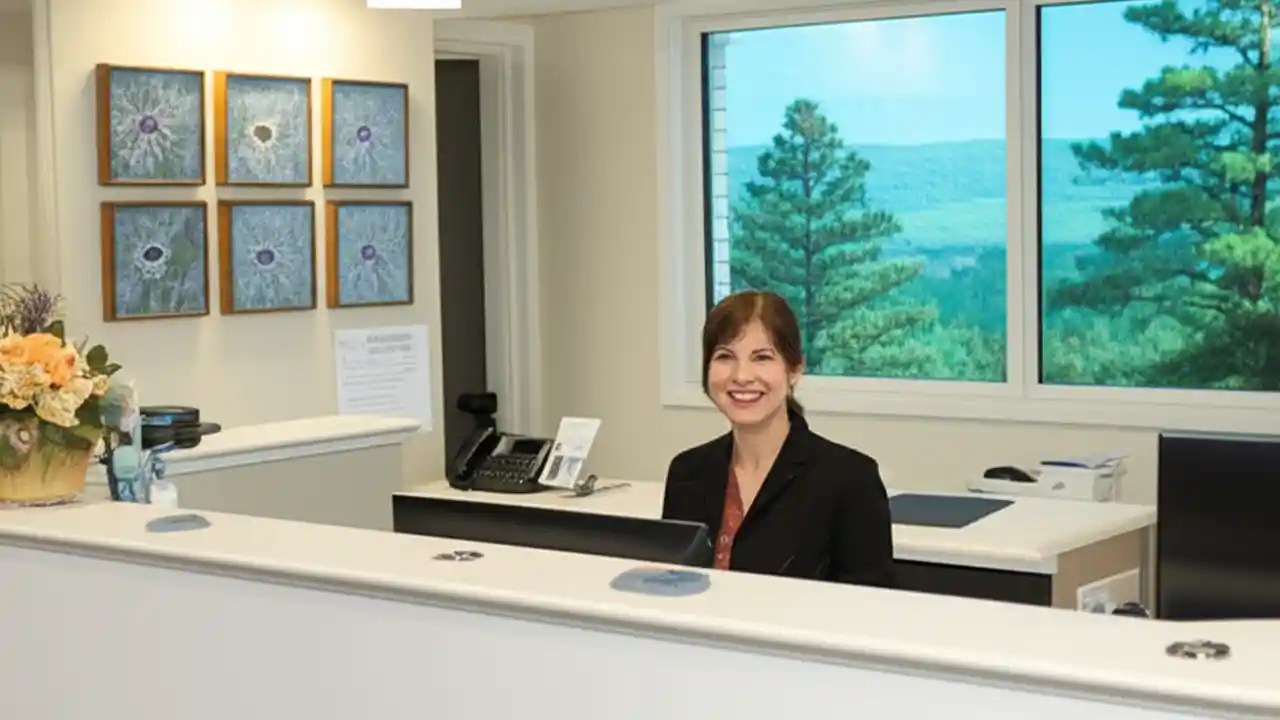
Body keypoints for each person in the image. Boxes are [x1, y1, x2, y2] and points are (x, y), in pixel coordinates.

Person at [661, 290, 894, 587]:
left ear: (795, 369)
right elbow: (673, 591)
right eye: (725, 357)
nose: (741, 375)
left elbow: (871, 610)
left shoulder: (850, 479)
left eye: (762, 357)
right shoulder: (687, 471)